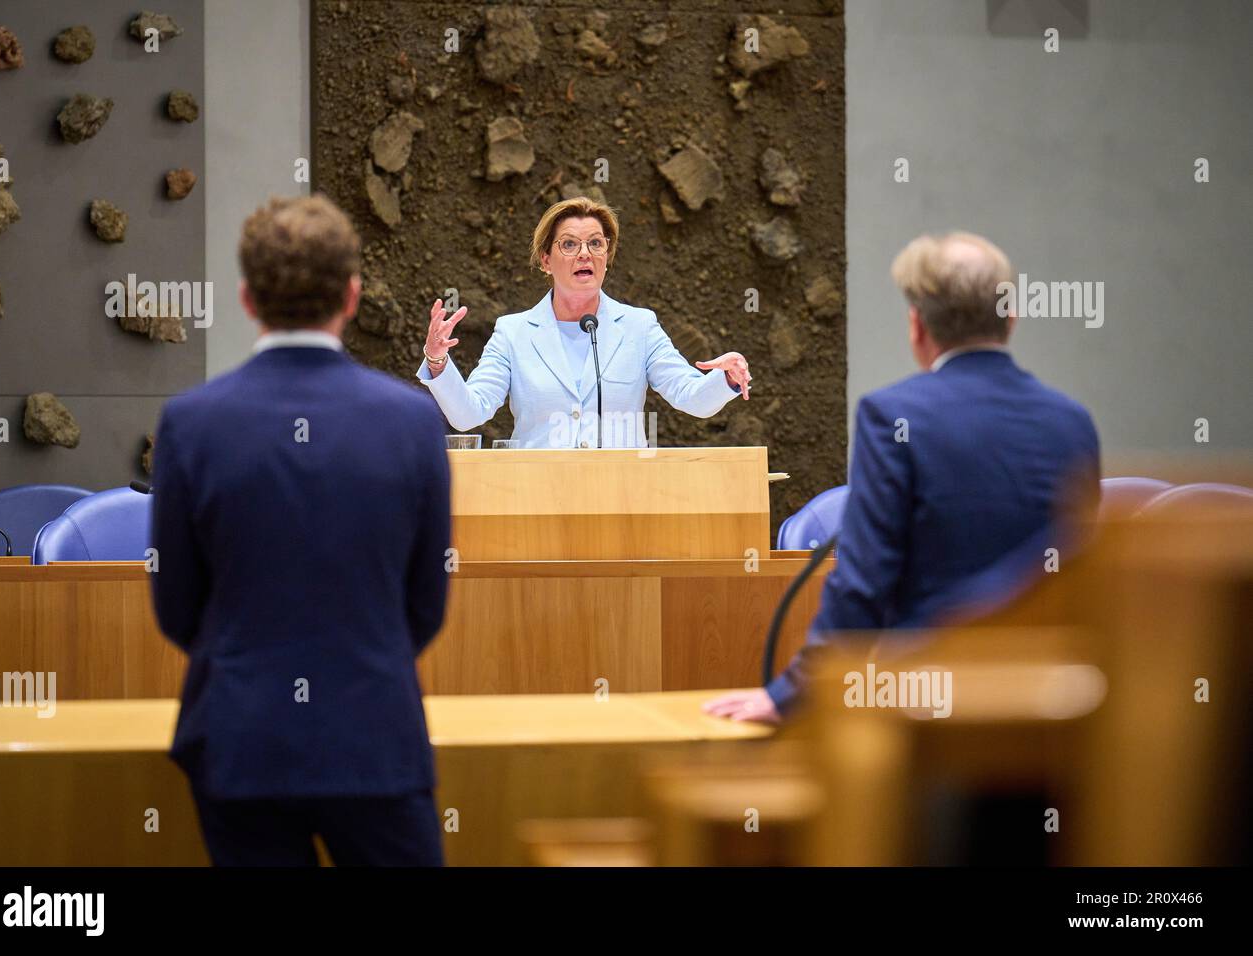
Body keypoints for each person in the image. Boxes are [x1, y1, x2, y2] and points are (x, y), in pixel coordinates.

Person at [150, 195, 450, 866]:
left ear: (247, 299)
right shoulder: (411, 422)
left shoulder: (191, 422)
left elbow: (175, 606)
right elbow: (426, 605)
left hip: (239, 737)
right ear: (351, 294)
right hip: (375, 737)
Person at [705, 231, 1101, 724]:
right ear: (1010, 319)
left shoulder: (891, 415)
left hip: (930, 714)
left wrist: (788, 695)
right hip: (1048, 711)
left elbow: (864, 584)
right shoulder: (1072, 421)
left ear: (917, 326)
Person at [417, 197, 752, 448]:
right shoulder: (513, 333)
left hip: (620, 502)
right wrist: (437, 360)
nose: (585, 254)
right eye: (569, 244)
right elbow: (469, 414)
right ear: (546, 260)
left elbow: (692, 397)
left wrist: (726, 378)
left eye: (596, 243)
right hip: (538, 504)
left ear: (607, 257)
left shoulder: (639, 327)